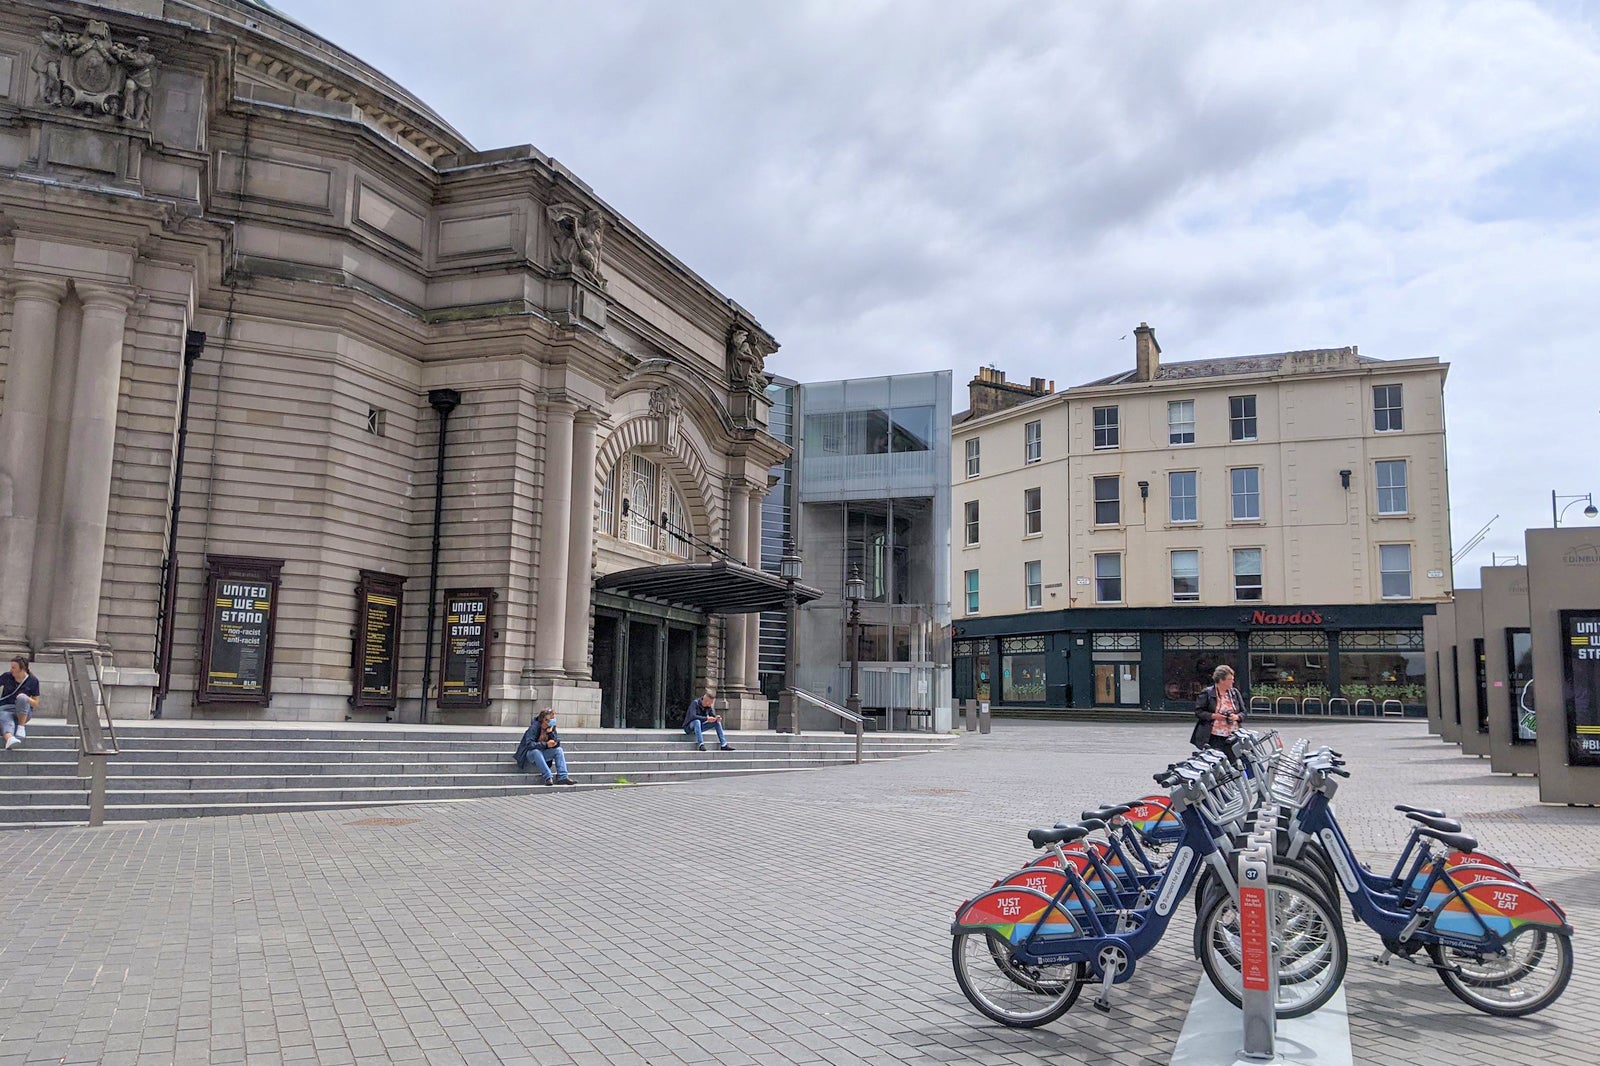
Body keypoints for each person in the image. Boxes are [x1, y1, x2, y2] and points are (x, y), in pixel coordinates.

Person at [1189, 664, 1244, 757]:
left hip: (1233, 734)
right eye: (1230, 679)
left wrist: (1237, 717)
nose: (1233, 681)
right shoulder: (1207, 693)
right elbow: (1199, 712)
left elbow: (1243, 712)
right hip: (1214, 735)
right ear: (1221, 680)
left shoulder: (1235, 693)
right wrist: (1214, 716)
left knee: (1234, 761)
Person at [515, 708, 572, 785]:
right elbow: (529, 744)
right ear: (545, 719)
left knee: (559, 750)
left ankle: (562, 777)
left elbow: (557, 742)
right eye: (551, 718)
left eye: (554, 718)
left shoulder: (551, 728)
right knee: (536, 752)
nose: (553, 720)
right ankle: (548, 777)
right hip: (528, 754)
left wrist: (550, 733)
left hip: (543, 753)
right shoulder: (534, 728)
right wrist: (546, 744)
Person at [2, 655, 40, 751]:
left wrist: (26, 697)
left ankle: (21, 727)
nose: (11, 670)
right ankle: (10, 738)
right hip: (5, 708)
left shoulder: (33, 681)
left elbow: (36, 703)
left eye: (14, 668)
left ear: (22, 668)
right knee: (6, 718)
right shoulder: (7, 676)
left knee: (22, 698)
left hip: (23, 712)